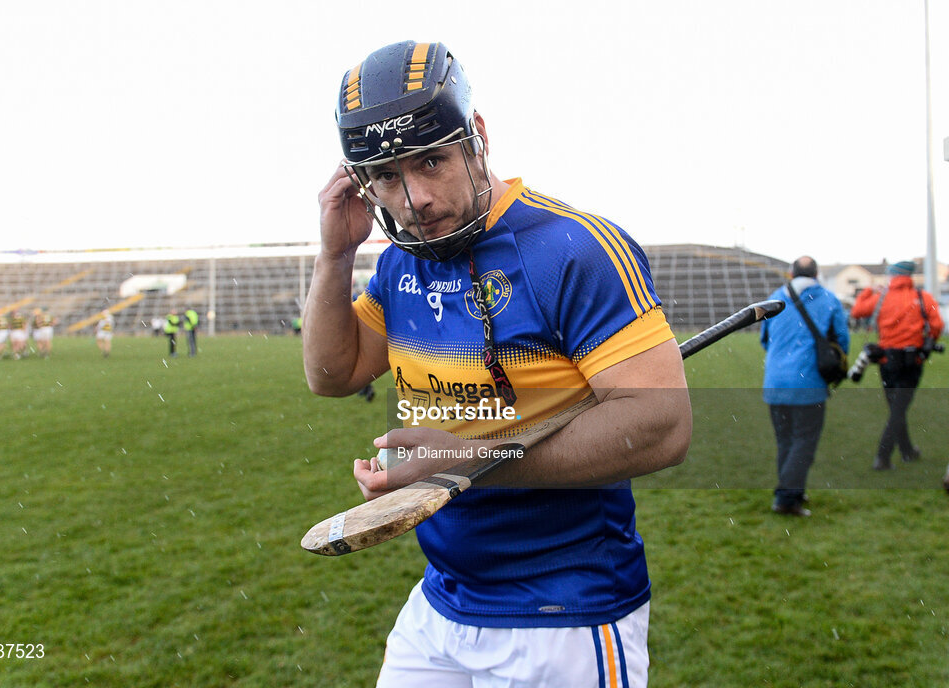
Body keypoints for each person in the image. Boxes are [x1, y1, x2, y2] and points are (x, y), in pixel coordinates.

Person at [303, 41, 691, 687]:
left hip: (565, 610)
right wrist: (335, 254)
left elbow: (662, 424)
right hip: (442, 601)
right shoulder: (404, 259)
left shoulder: (573, 248)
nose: (415, 199)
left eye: (431, 161)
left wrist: (463, 462)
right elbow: (331, 375)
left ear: (475, 138)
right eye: (388, 177)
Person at [760, 256, 850, 517]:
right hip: (808, 382)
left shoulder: (775, 298)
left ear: (791, 273)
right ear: (816, 274)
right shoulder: (829, 299)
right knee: (804, 442)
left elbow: (765, 339)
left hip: (776, 382)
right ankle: (787, 498)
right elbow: (842, 341)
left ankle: (793, 490)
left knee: (785, 442)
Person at [850, 260, 944, 470]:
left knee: (896, 408)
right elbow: (937, 325)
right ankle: (883, 457)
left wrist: (868, 291)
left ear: (893, 276)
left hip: (887, 362)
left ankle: (907, 451)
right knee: (898, 410)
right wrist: (928, 341)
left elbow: (856, 311)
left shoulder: (881, 298)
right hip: (912, 361)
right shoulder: (922, 297)